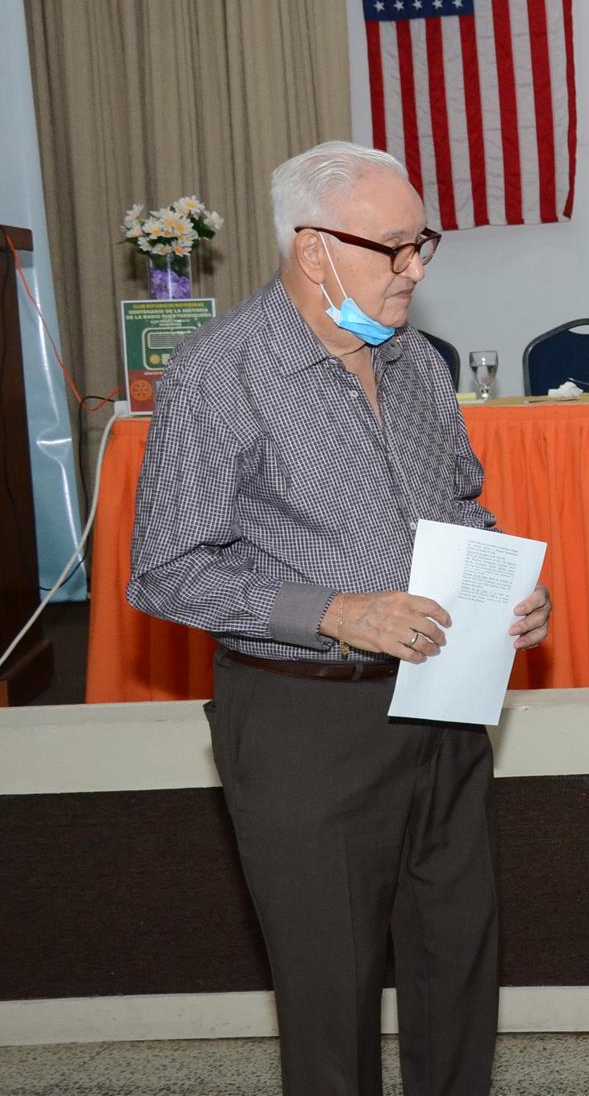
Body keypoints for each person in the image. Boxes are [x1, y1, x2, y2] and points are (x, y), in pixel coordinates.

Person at [128, 140, 551, 1095]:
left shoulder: (414, 367)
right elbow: (164, 572)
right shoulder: (218, 373)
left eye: (422, 245)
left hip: (443, 702)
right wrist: (334, 612)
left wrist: (507, 590)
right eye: (393, 248)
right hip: (302, 719)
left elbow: (464, 505)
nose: (416, 269)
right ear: (314, 248)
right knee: (331, 997)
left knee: (457, 969)